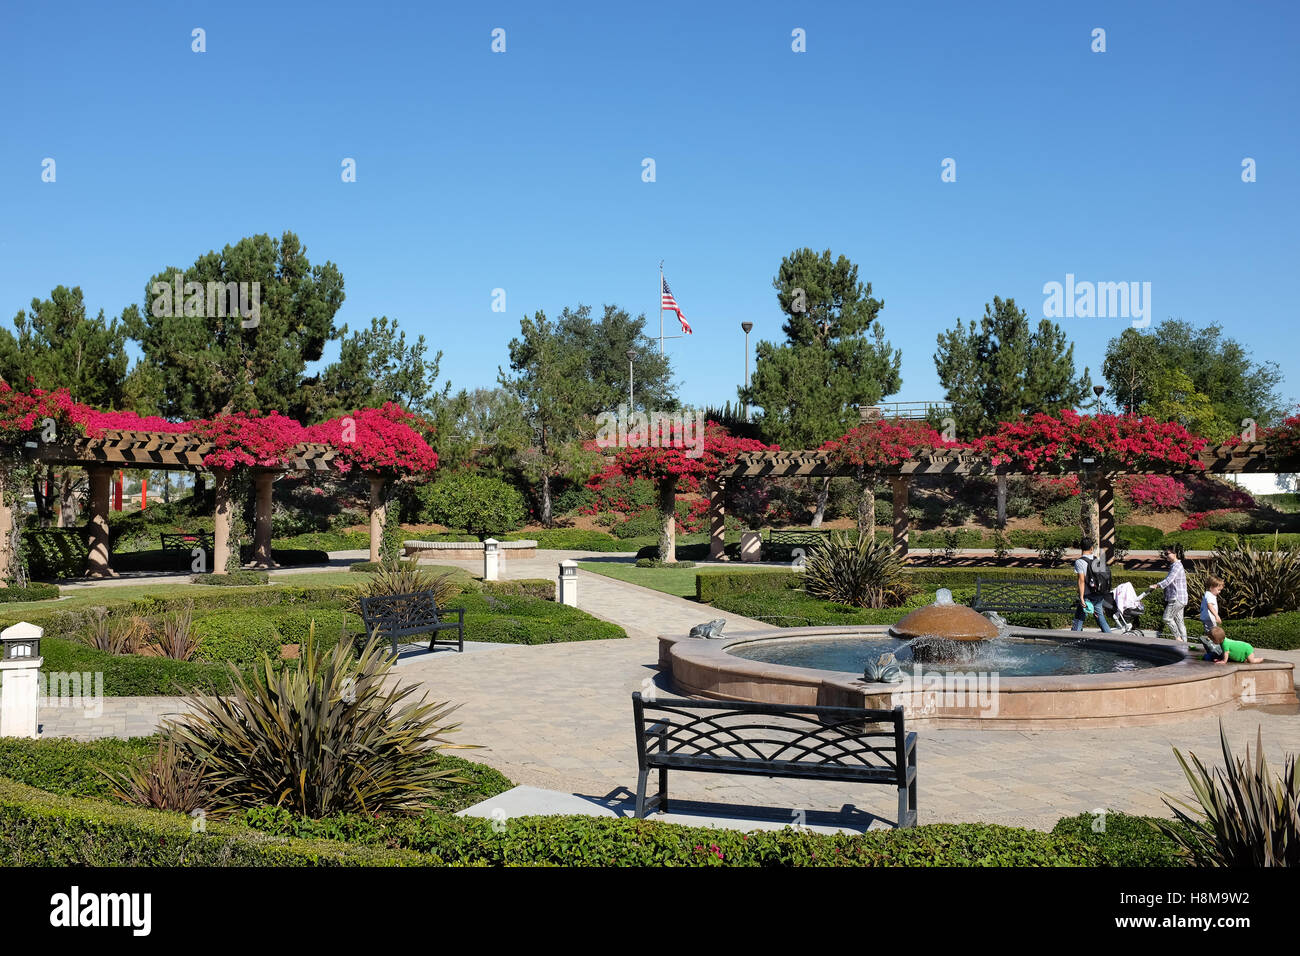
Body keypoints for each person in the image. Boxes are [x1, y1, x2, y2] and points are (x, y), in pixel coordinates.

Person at [1149, 544, 1188, 643]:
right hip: (1181, 599)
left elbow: (1169, 580)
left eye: (1167, 554)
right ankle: (1185, 642)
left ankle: (1178, 639)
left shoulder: (1177, 566)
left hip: (1177, 598)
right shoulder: (1176, 565)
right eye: (1165, 554)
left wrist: (1156, 585)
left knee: (1167, 618)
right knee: (1179, 621)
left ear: (1174, 554)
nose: (1166, 556)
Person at [1072, 538, 1112, 633]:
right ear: (1091, 548)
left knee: (1079, 617)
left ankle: (1073, 640)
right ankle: (1110, 637)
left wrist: (1081, 597)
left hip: (1088, 595)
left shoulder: (1080, 562)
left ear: (1081, 548)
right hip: (1099, 593)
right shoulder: (1096, 560)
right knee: (1100, 617)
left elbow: (1081, 581)